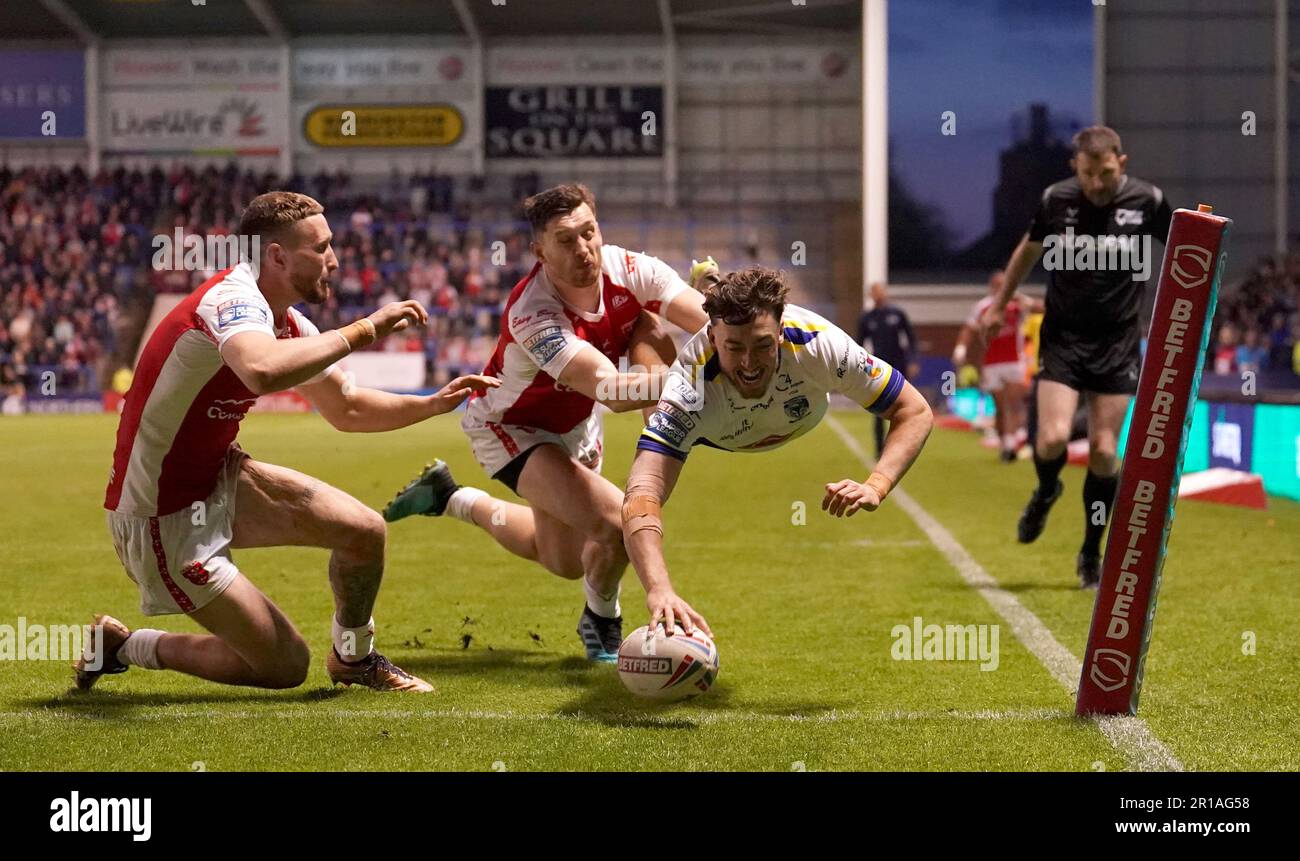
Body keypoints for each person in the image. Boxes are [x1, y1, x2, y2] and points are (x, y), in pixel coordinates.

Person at [78, 191, 497, 694]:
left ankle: (354, 658)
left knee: (363, 532)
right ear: (276, 256)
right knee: (284, 666)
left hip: (217, 476)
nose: (334, 260)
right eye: (320, 248)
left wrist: (432, 403)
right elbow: (260, 370)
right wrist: (365, 329)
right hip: (160, 513)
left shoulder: (286, 321)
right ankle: (125, 647)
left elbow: (347, 407)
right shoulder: (230, 300)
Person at [382, 183, 710, 662]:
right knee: (619, 524)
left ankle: (450, 497)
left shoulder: (629, 268)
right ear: (540, 251)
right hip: (512, 429)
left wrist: (726, 317)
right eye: (565, 240)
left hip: (576, 425)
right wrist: (694, 382)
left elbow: (700, 316)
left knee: (562, 560)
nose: (583, 249)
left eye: (589, 233)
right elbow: (610, 390)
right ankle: (602, 619)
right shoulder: (533, 312)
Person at [623, 267, 933, 634]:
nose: (749, 364)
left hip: (803, 417)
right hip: (717, 431)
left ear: (781, 331)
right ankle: (707, 290)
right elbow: (641, 494)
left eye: (762, 345)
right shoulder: (688, 384)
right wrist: (659, 589)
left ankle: (711, 286)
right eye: (734, 348)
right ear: (711, 337)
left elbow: (914, 410)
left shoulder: (819, 343)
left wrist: (877, 484)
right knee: (654, 404)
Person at [981, 125, 1173, 588]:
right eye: (1087, 174)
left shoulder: (1148, 201)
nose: (1095, 183)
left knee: (1105, 451)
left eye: (1104, 173)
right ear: (1075, 167)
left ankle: (1090, 551)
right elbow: (1026, 252)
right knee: (1050, 440)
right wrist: (1000, 304)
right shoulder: (1056, 200)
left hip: (1118, 343)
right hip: (1063, 340)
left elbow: (1186, 254)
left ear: (1120, 163)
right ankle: (1047, 490)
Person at [952, 270, 1043, 462]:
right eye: (998, 285)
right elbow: (969, 329)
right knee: (1000, 405)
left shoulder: (1017, 304)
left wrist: (1023, 299)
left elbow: (1042, 308)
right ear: (992, 287)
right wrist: (961, 348)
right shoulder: (983, 306)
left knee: (1014, 403)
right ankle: (1004, 441)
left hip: (1014, 360)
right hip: (992, 363)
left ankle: (1010, 444)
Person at [857, 282, 920, 457]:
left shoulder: (897, 314)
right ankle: (880, 450)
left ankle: (903, 446)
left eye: (880, 291)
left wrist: (913, 361)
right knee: (878, 408)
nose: (878, 294)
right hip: (878, 367)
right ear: (871, 295)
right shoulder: (866, 318)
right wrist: (860, 367)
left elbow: (911, 338)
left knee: (903, 406)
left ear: (885, 293)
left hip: (899, 364)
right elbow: (859, 345)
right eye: (874, 292)